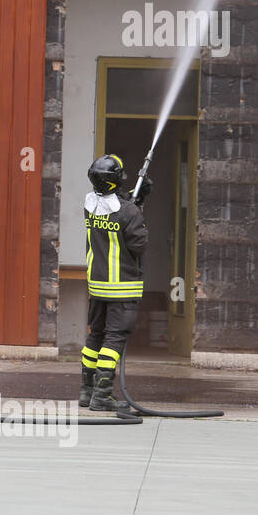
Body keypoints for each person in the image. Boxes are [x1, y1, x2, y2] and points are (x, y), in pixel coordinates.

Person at [82, 154, 152, 412]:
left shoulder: (90, 204)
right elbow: (139, 245)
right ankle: (102, 395)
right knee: (114, 340)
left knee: (96, 337)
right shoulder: (129, 212)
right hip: (122, 287)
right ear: (116, 181)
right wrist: (139, 209)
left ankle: (86, 391)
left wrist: (134, 200)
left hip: (97, 286)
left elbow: (114, 208)